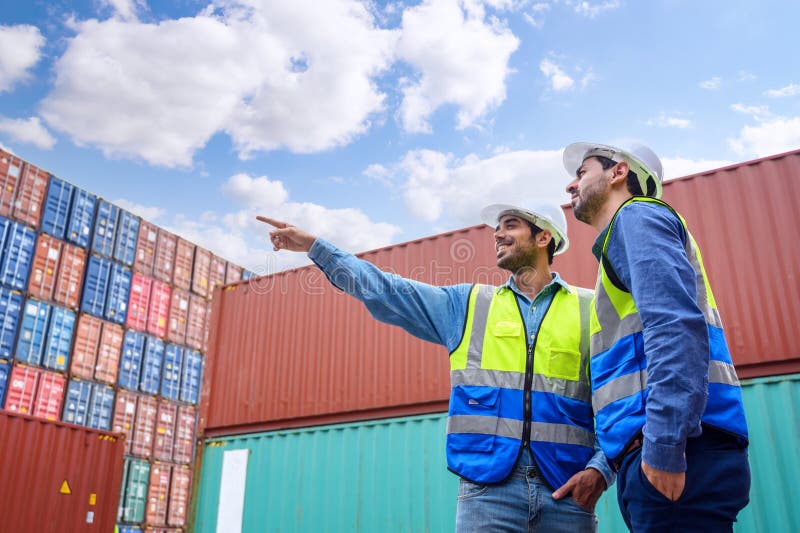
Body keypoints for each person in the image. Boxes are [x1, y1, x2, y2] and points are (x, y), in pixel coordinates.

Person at [257, 203, 614, 532]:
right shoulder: (468, 303)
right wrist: (315, 247)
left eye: (511, 225)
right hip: (488, 495)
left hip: (567, 495)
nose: (498, 233)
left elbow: (621, 398)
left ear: (543, 237)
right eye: (497, 227)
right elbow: (385, 290)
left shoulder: (590, 308)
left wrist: (601, 470)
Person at [563, 142, 750, 532]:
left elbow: (674, 327)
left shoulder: (637, 217)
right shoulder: (630, 231)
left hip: (680, 450)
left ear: (618, 172)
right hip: (674, 451)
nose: (571, 185)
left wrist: (664, 446)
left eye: (582, 172)